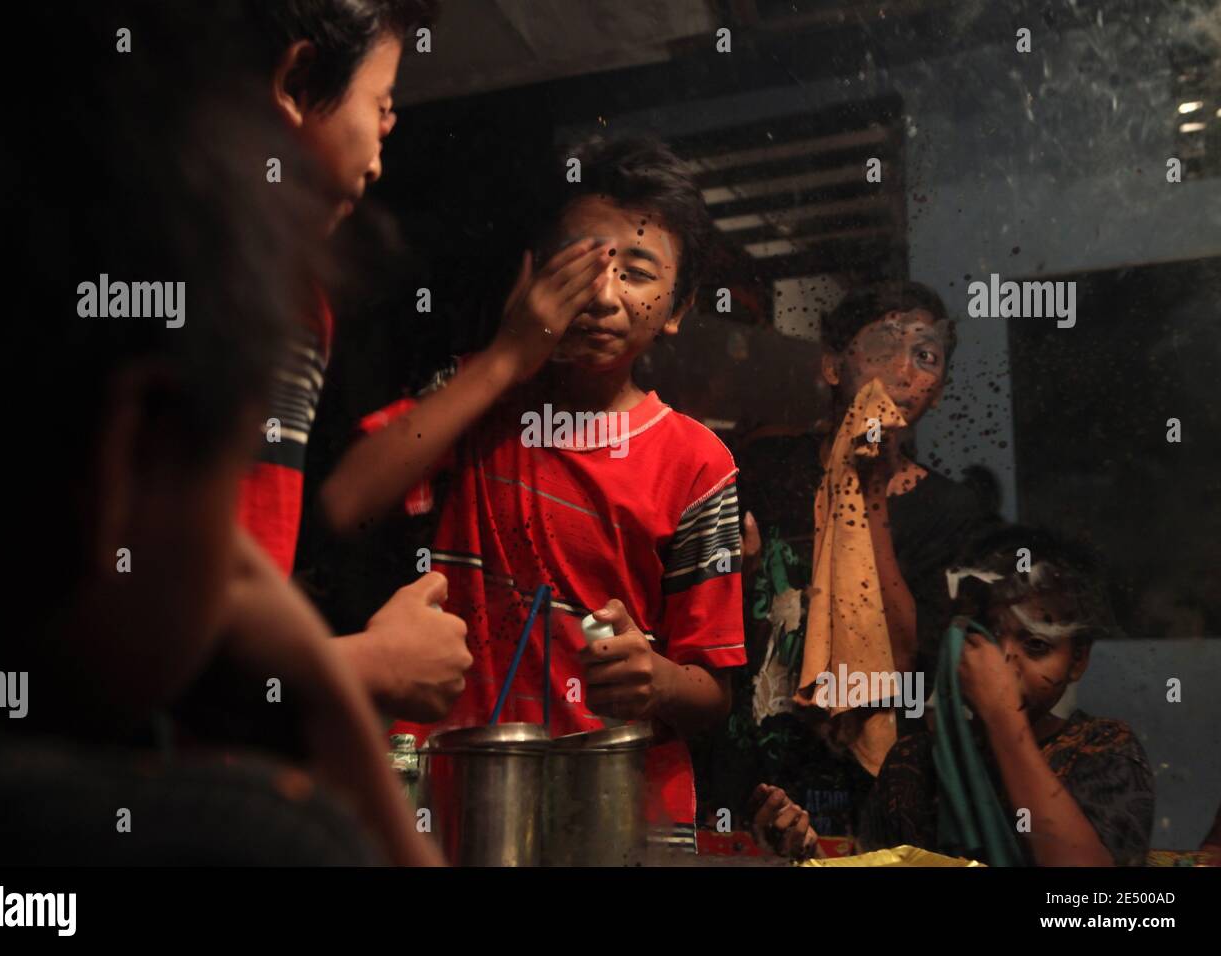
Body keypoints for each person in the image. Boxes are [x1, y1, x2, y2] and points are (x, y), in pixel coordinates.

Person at [0, 0, 437, 866]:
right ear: (129, 458)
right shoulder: (239, 835)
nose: (388, 131)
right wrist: (341, 685)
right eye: (381, 99)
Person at [320, 136, 747, 847]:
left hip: (618, 811)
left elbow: (713, 693)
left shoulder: (697, 463)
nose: (602, 296)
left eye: (637, 272)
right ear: (532, 272)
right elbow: (345, 501)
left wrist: (657, 680)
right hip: (454, 794)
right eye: (580, 263)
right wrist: (511, 355)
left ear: (677, 307)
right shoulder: (471, 396)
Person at [229, 0, 473, 723]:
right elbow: (157, 639)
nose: (390, 125)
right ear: (300, 83)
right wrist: (368, 664)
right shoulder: (256, 288)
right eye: (383, 99)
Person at [696, 281, 997, 839]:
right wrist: (745, 575)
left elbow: (902, 660)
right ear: (834, 367)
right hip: (752, 755)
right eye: (883, 347)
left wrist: (872, 491)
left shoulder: (946, 507)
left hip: (863, 782)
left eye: (925, 356)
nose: (903, 370)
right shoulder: (763, 466)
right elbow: (706, 616)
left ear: (937, 389)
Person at [856, 527, 1155, 866]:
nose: (1004, 667)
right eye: (989, 637)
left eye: (1036, 646)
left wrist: (1003, 718)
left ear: (1077, 660)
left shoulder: (1104, 750)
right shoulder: (912, 765)